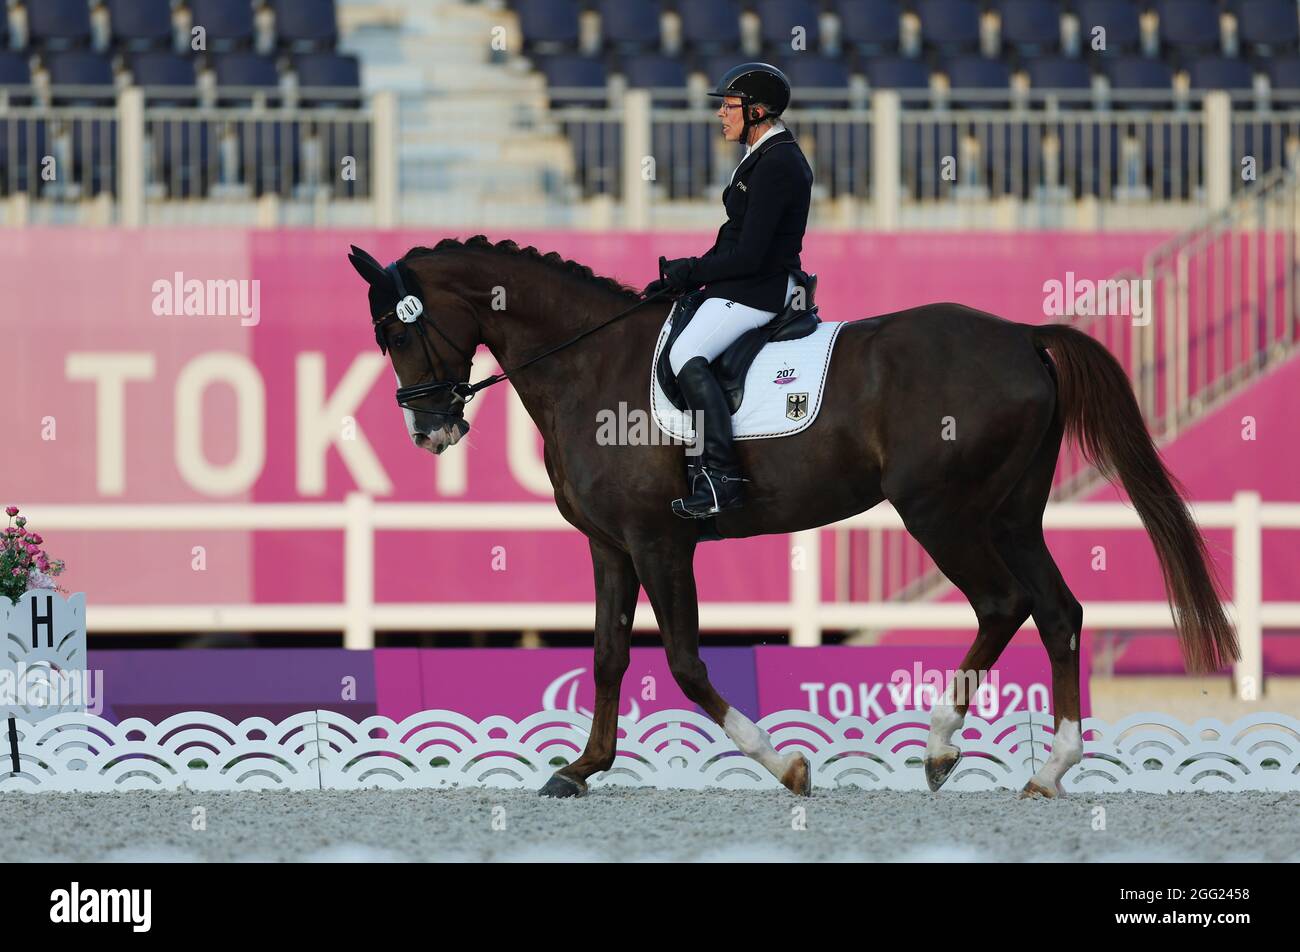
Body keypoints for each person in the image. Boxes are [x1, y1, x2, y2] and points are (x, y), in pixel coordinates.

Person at [642, 62, 813, 519]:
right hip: (746, 282)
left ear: (756, 111)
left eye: (728, 105)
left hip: (760, 288)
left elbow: (752, 255)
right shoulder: (761, 154)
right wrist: (687, 275)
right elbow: (735, 243)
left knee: (684, 355)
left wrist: (692, 271)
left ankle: (722, 478)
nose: (721, 113)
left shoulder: (777, 163)